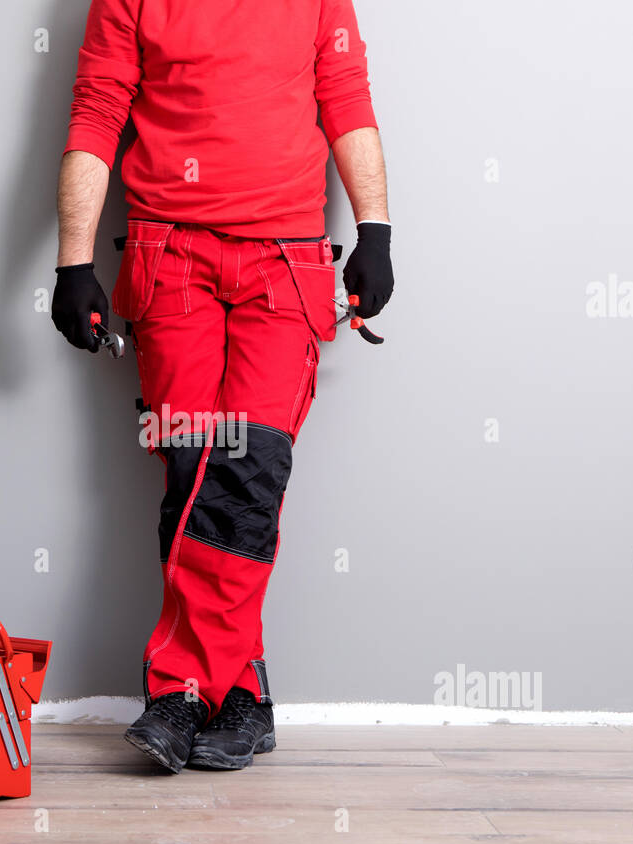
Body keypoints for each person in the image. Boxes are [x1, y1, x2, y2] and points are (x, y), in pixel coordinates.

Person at [52, 0, 393, 772]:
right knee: (194, 469)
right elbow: (98, 112)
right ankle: (242, 694)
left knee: (246, 469)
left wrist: (376, 229)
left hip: (287, 261)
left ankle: (178, 692)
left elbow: (346, 95)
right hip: (167, 259)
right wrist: (74, 263)